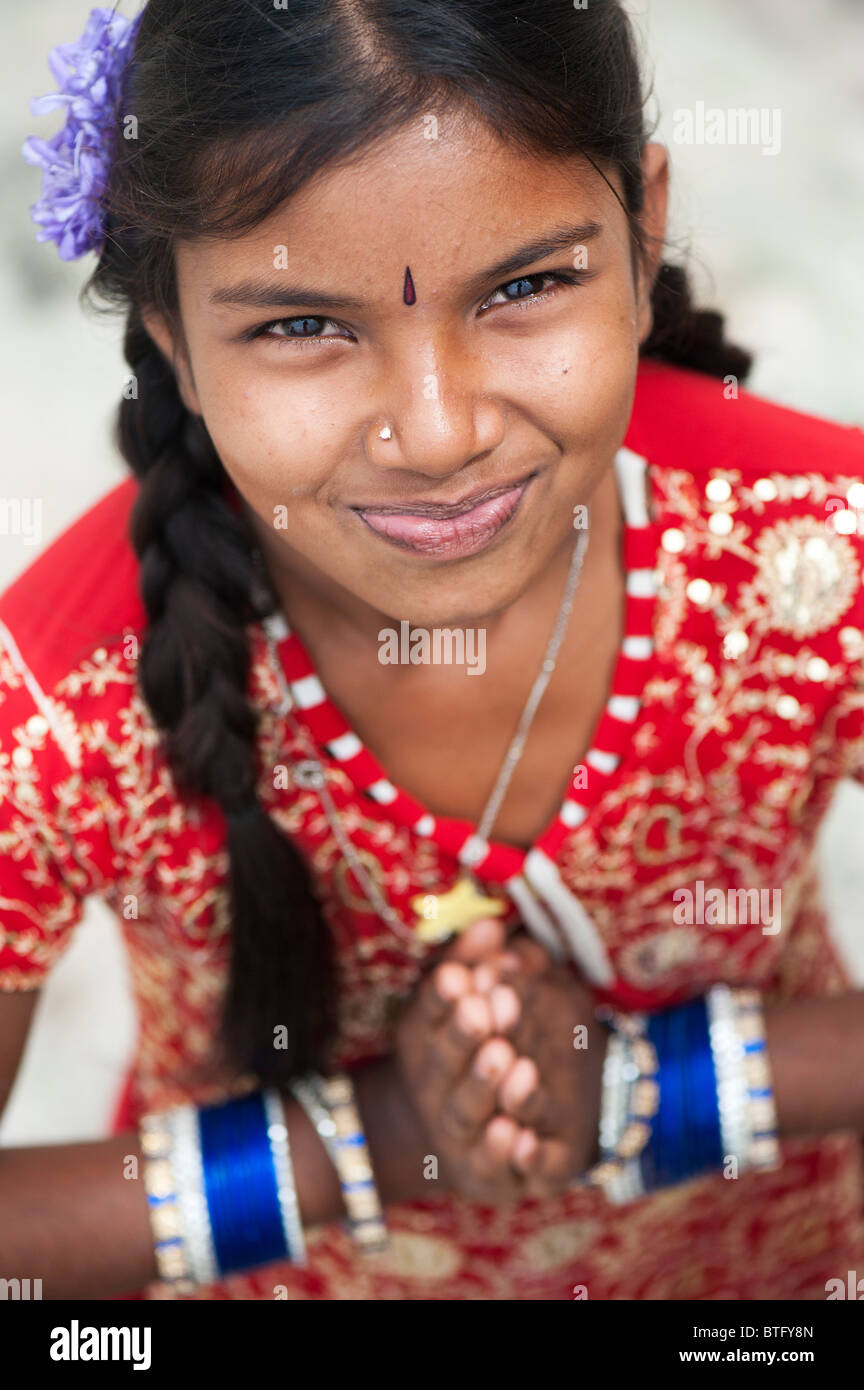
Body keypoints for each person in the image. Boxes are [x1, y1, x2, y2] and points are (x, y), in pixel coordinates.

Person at [2, 0, 863, 1302]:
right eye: (302, 325)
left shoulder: (813, 553)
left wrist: (649, 1084)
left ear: (640, 237)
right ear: (171, 335)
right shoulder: (54, 713)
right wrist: (378, 1140)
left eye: (522, 287)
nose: (439, 429)